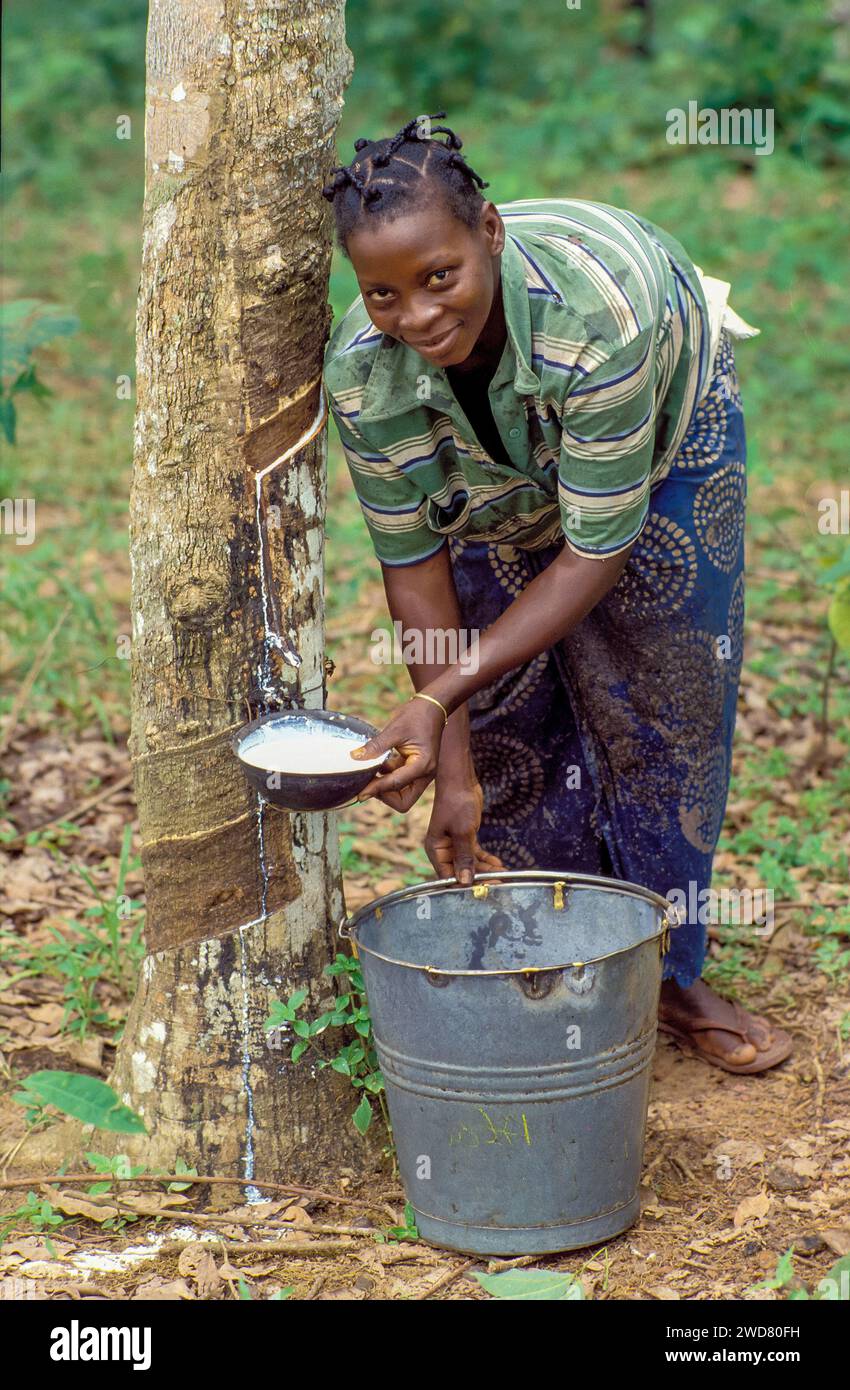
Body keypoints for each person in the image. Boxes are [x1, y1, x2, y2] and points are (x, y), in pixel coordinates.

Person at [321, 113, 792, 1075]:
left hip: (660, 431)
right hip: (490, 476)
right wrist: (450, 767)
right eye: (383, 292)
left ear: (488, 233)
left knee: (665, 698)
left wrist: (429, 697)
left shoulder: (598, 322)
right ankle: (575, 969)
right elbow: (417, 577)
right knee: (506, 721)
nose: (416, 315)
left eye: (438, 276)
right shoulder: (366, 380)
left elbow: (594, 554)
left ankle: (670, 973)